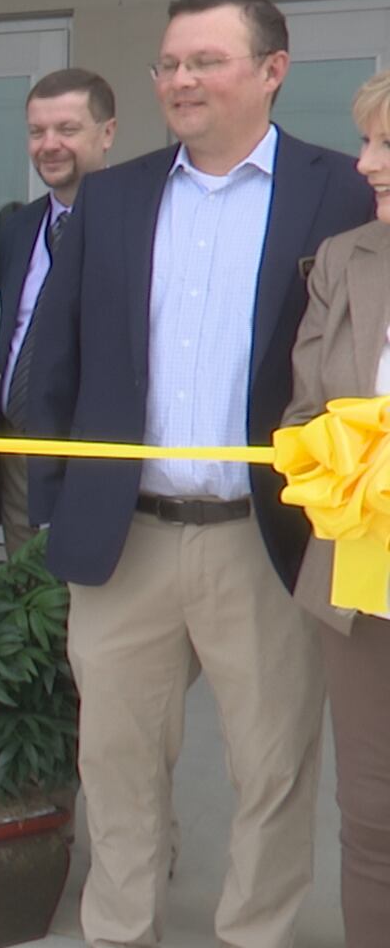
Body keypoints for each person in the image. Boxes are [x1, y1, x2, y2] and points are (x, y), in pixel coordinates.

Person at [27, 0, 377, 948]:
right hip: (122, 536)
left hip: (265, 542)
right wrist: (55, 508)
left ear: (272, 71)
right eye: (169, 64)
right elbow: (50, 366)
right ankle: (119, 932)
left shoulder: (336, 191)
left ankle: (252, 936)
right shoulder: (113, 194)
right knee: (119, 763)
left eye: (205, 61)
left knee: (274, 771)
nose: (180, 80)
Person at [281, 67, 390, 948]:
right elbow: (300, 417)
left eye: (387, 145)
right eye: (367, 141)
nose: (366, 164)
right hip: (362, 580)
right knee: (375, 824)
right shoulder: (345, 261)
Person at [0, 69, 116, 553]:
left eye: (67, 129)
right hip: (20, 453)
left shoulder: (140, 224)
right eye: (37, 131)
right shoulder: (18, 227)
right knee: (27, 610)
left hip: (97, 458)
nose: (49, 144)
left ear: (108, 133)